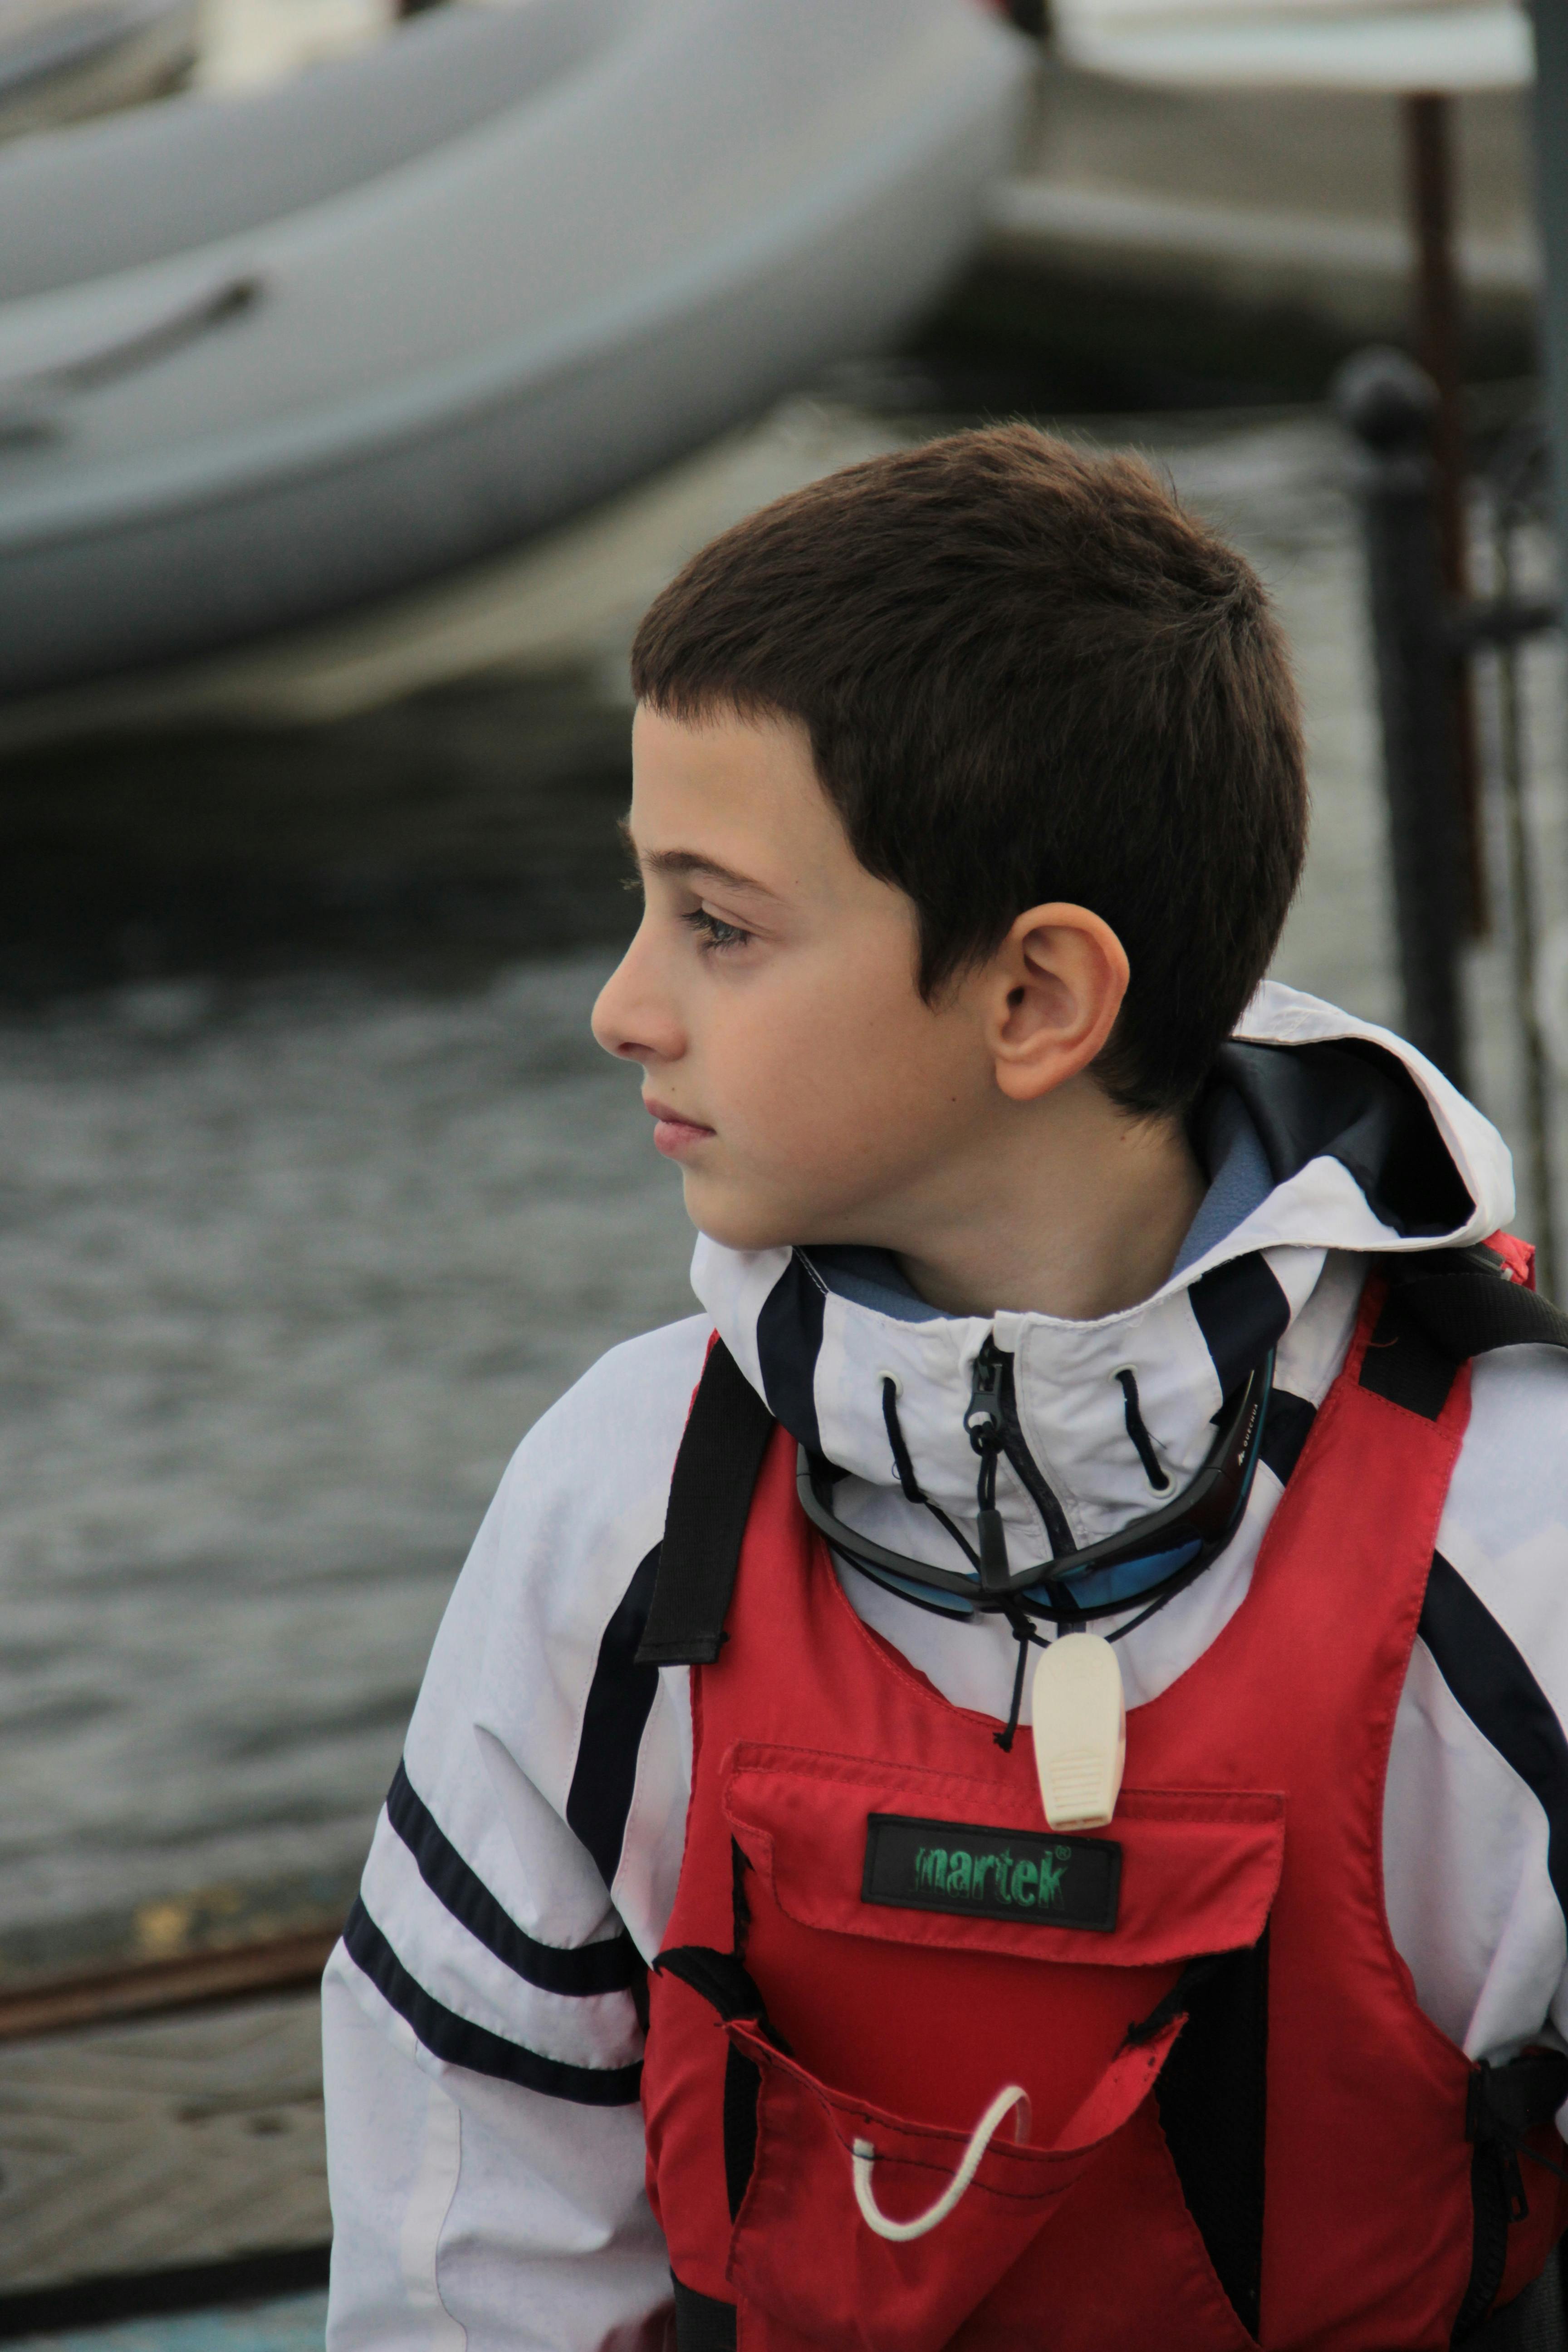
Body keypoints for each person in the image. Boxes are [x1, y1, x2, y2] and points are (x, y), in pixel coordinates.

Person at [321, 424, 1568, 2352]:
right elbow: (469, 2248)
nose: (622, 1004)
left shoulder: (1523, 1541)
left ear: (1035, 1000)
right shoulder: (616, 1507)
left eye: (716, 923)